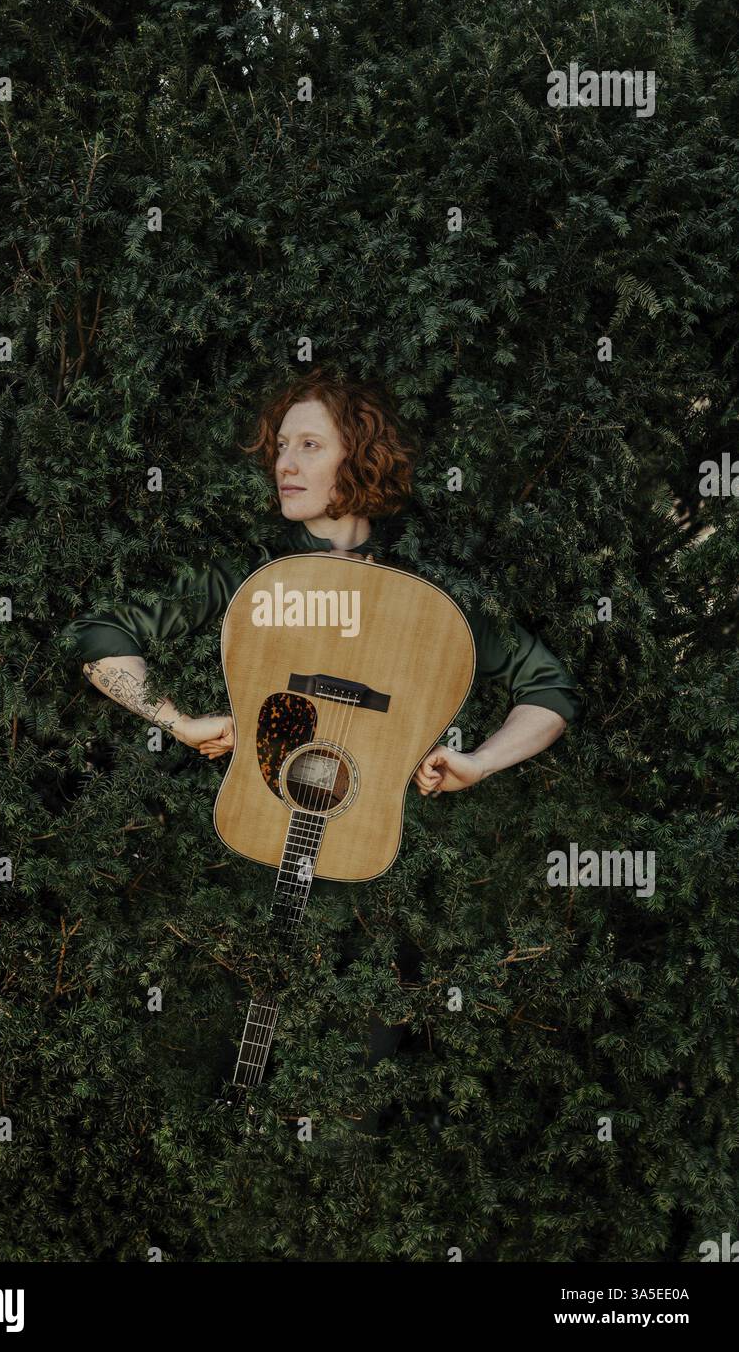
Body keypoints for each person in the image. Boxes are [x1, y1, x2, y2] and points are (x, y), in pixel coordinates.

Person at [62, 367, 582, 1136]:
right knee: (207, 1090)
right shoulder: (254, 578)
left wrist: (478, 762)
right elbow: (100, 636)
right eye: (281, 446)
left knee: (348, 1109)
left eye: (310, 445)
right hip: (244, 866)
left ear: (361, 456)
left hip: (373, 891)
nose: (285, 462)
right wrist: (175, 720)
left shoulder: (431, 600)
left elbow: (551, 690)